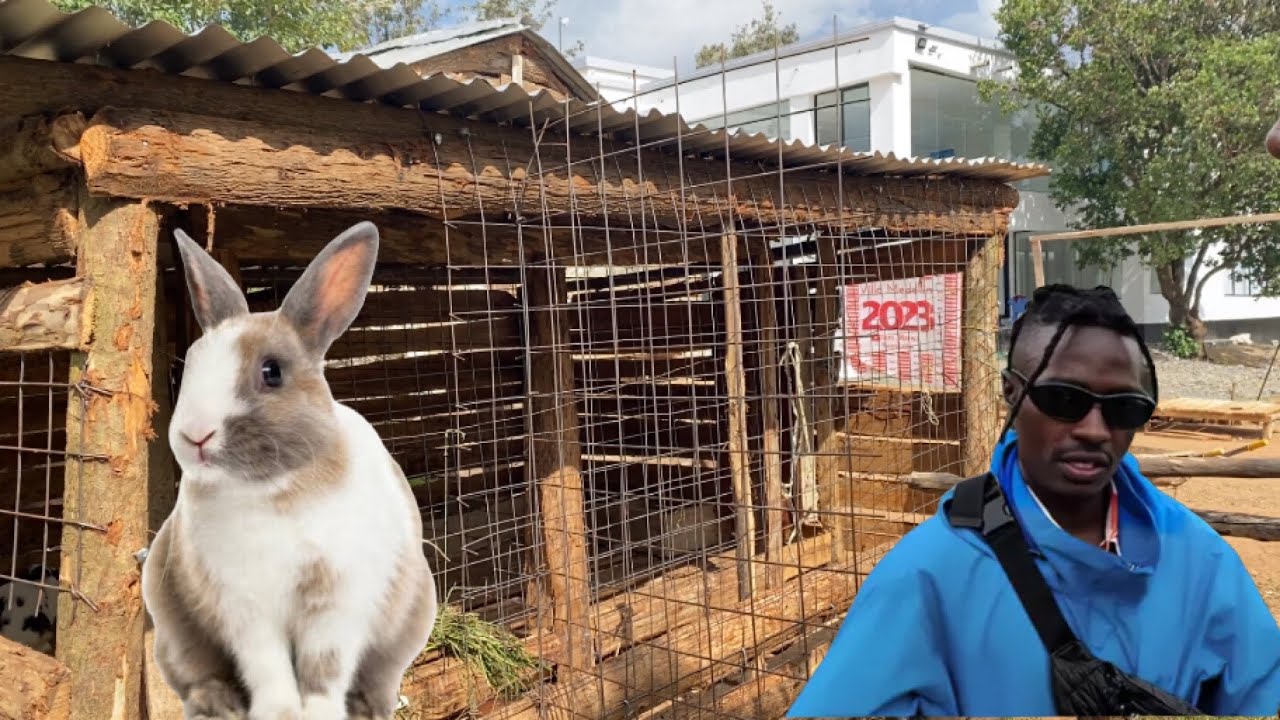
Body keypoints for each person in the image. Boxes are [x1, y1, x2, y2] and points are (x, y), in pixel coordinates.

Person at [787, 284, 1280, 717]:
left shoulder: (1197, 559)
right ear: (1011, 393)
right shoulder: (929, 575)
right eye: (1064, 400)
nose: (1094, 430)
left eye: (1123, 408)